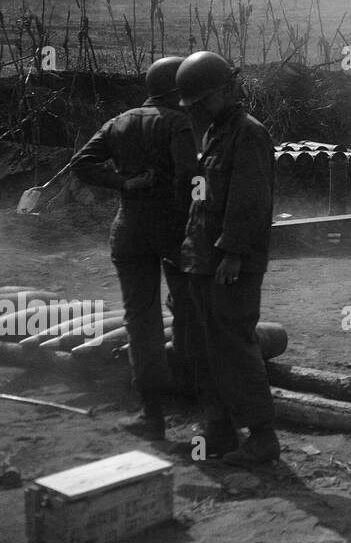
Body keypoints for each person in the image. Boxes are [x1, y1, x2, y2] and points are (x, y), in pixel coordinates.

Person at [69, 56, 198, 440]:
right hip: (175, 230)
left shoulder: (120, 121)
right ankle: (198, 402)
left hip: (129, 230)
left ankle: (152, 415)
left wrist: (125, 184)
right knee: (190, 313)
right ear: (178, 89)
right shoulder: (180, 123)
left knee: (140, 322)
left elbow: (82, 163)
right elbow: (190, 177)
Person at [176, 51, 279, 467]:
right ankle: (218, 429)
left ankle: (262, 437)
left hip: (230, 262)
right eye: (193, 105)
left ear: (226, 90)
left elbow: (250, 200)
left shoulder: (248, 134)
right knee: (204, 347)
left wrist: (233, 251)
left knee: (235, 346)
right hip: (202, 259)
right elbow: (203, 199)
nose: (198, 110)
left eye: (203, 101)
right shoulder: (215, 133)